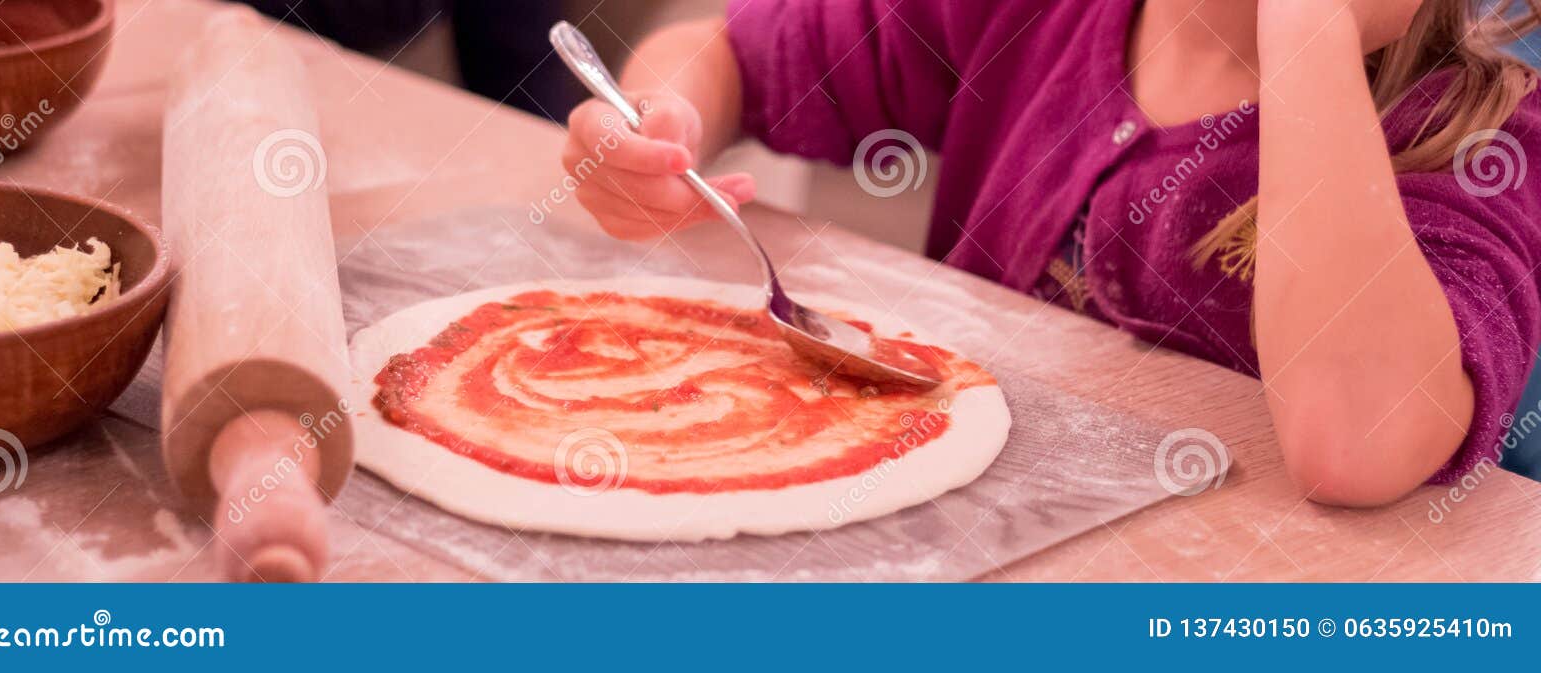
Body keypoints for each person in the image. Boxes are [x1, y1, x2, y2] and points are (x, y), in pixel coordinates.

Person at [559, 0, 1541, 505]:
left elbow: (1356, 444)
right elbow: (724, 50)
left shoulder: (1481, 135)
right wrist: (655, 129)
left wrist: (1303, 28)